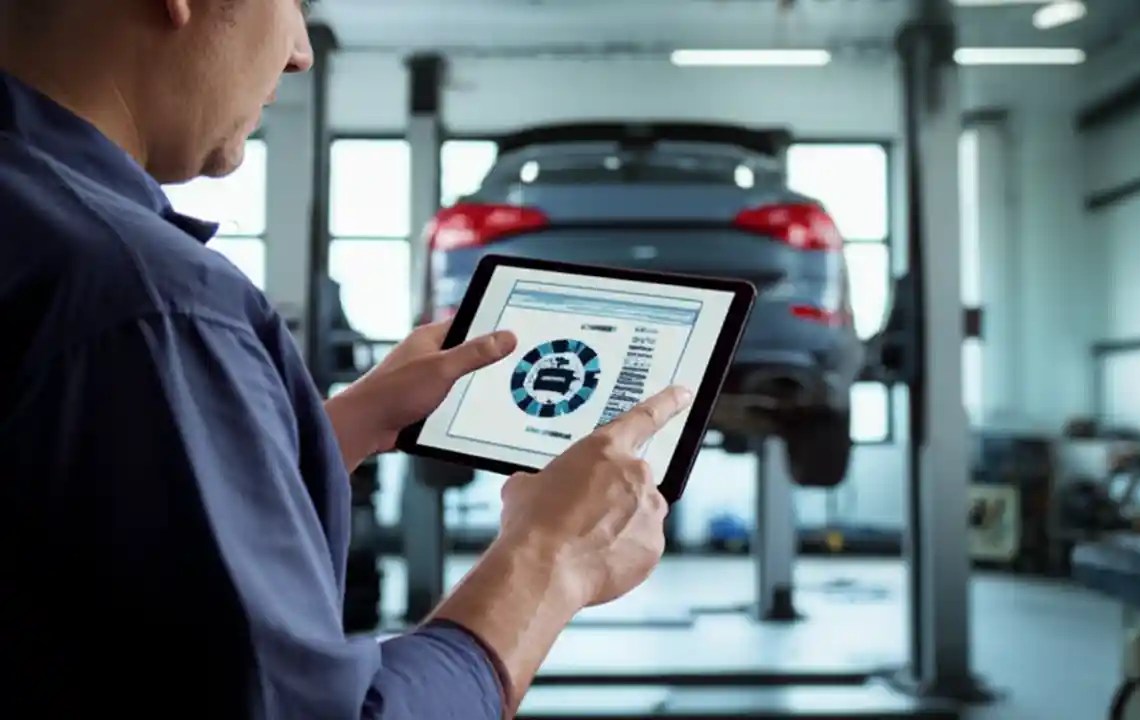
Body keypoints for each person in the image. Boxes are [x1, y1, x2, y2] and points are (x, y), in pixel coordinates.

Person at [0, 1, 687, 718]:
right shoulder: (153, 300)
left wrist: (344, 426)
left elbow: (69, 529)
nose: (300, 51)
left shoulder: (45, 233)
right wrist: (549, 560)